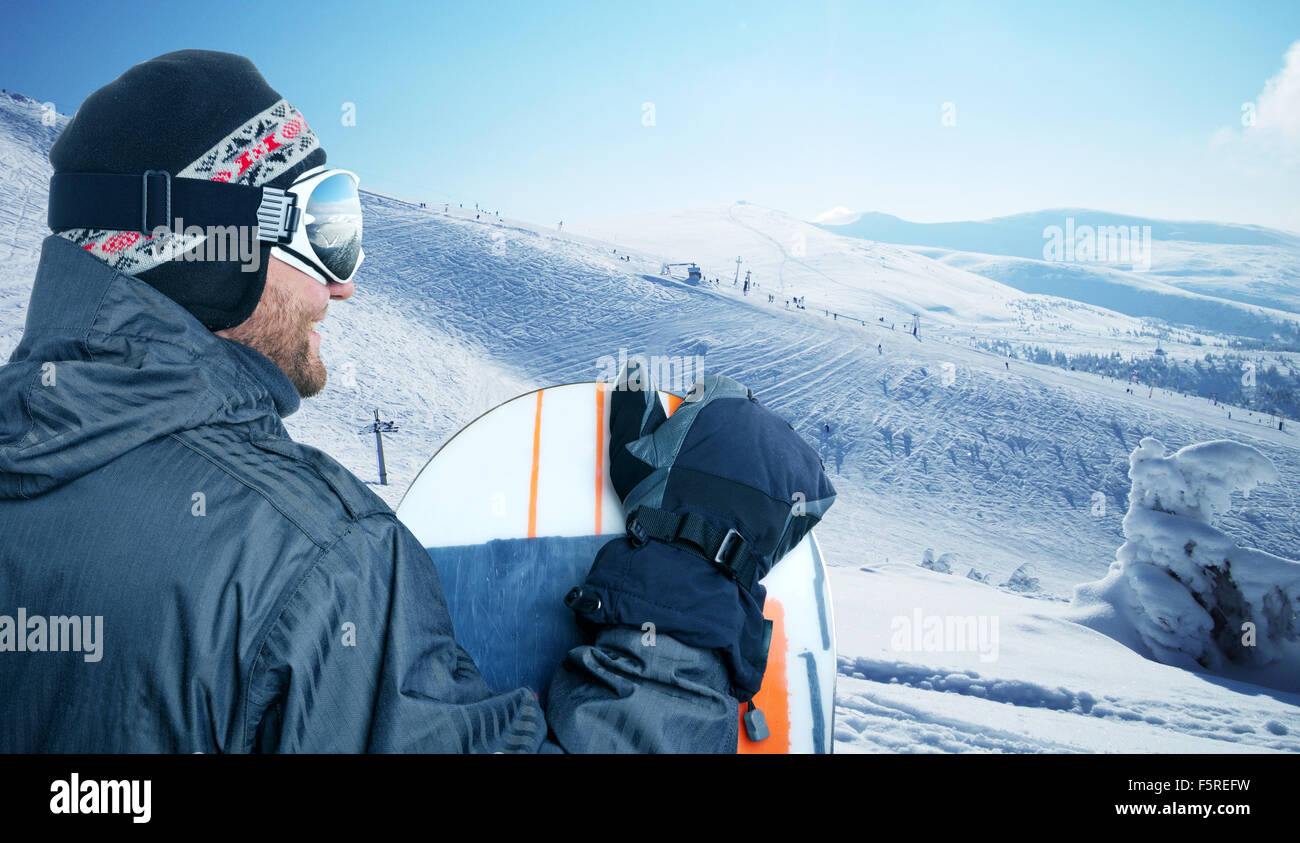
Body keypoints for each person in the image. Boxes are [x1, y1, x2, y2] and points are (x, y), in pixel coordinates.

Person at [0, 51, 834, 753]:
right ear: (211, 247)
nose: (345, 284)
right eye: (324, 232)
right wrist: (692, 573)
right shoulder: (313, 564)